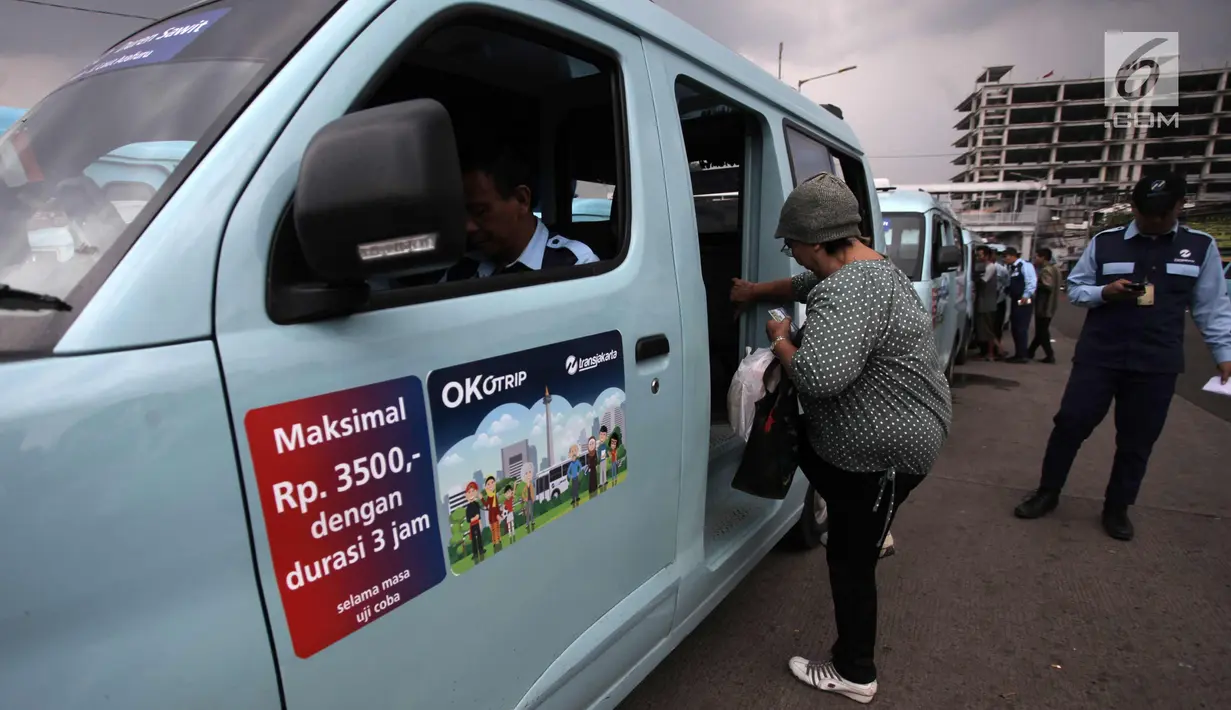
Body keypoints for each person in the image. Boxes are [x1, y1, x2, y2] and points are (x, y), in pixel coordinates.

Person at [729, 173, 952, 705]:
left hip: (887, 453)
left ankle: (854, 671)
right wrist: (755, 292)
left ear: (815, 240)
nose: (792, 254)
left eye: (792, 245)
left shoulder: (849, 291)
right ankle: (877, 523)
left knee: (849, 561)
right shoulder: (870, 268)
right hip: (909, 432)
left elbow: (817, 377)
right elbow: (801, 286)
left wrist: (780, 341)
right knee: (814, 449)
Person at [1014, 173, 1231, 540]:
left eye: (1163, 214)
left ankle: (1117, 508)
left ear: (1180, 206)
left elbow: (1212, 306)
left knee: (1137, 440)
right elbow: (1077, 290)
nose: (1154, 221)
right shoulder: (1106, 242)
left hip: (1156, 362)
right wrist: (1105, 292)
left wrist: (1224, 353)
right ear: (1134, 208)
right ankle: (1047, 492)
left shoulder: (1200, 247)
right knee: (1069, 424)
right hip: (1100, 355)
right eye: (1146, 213)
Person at [442, 144, 599, 280]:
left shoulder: (576, 266)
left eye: (480, 211)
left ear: (521, 199)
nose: (468, 227)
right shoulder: (462, 270)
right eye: (462, 214)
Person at [1002, 246, 1037, 363]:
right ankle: (1018, 353)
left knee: (1021, 327)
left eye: (1006, 256)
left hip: (1024, 299)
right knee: (1015, 327)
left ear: (1013, 256)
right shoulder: (1012, 268)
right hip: (1015, 299)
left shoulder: (1025, 265)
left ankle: (1022, 355)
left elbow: (1031, 282)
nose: (1004, 259)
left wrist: (1026, 295)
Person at [1028, 247, 1061, 363]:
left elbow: (1047, 286)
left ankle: (1049, 355)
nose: (1035, 259)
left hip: (1044, 306)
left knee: (1042, 331)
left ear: (1043, 258)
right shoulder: (1055, 269)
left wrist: (1036, 283)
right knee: (1041, 331)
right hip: (1050, 305)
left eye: (1037, 257)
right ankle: (1030, 352)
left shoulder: (1046, 270)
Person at [974, 246, 1006, 361]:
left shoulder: (991, 267)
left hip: (987, 303)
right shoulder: (983, 266)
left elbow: (982, 282)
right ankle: (990, 352)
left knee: (988, 330)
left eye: (980, 255)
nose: (978, 257)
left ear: (987, 256)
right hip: (983, 302)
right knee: (984, 330)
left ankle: (995, 352)